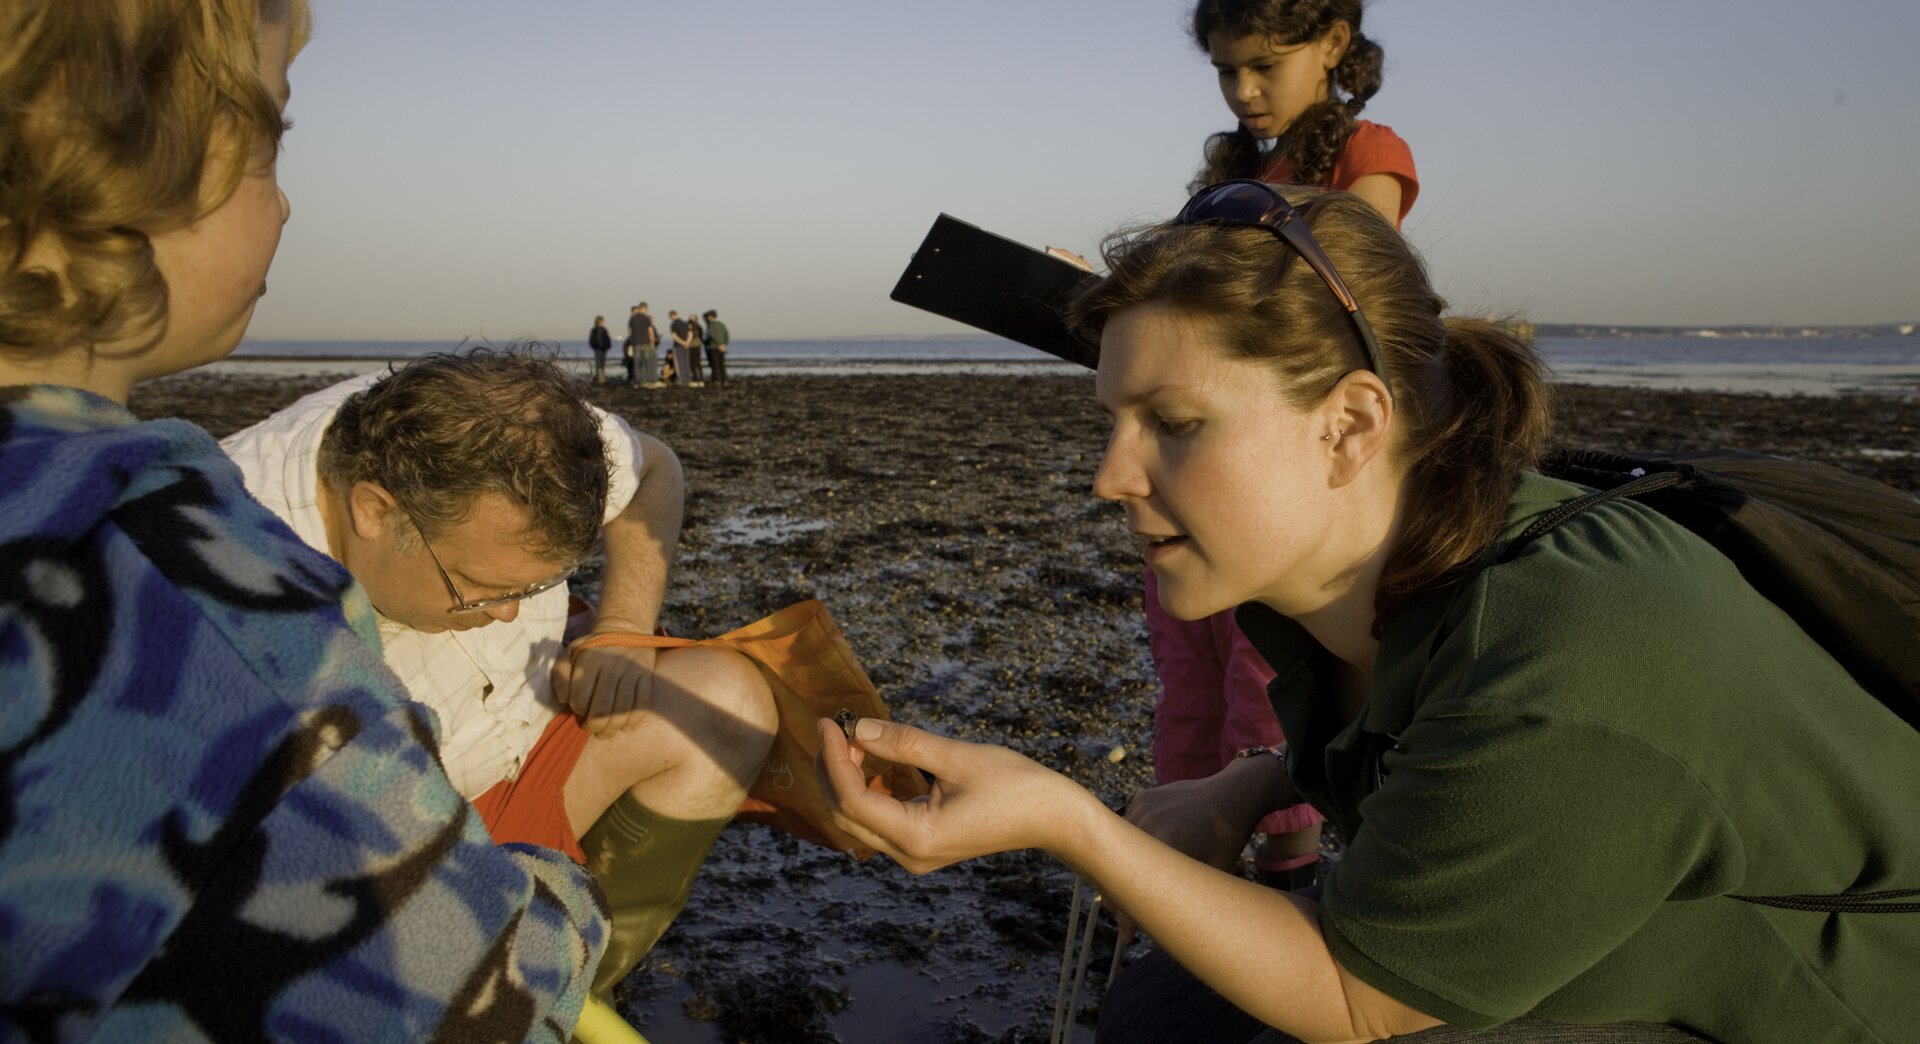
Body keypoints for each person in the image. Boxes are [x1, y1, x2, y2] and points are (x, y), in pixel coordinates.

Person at [816, 183, 1920, 1042]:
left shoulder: (1574, 647)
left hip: (1828, 1011)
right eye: (1111, 419)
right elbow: (1420, 717)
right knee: (1163, 1018)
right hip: (1601, 932)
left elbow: (1358, 999)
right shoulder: (1358, 575)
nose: (1111, 475)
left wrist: (1071, 821)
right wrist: (1251, 781)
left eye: (1176, 423)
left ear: (1350, 424)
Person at [0, 2, 608, 1039]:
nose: (283, 211)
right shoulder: (195, 590)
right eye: (267, 147)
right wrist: (564, 902)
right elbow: (477, 1000)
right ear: (110, 162)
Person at [220, 347, 779, 994]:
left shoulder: (512, 429)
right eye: (478, 588)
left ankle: (574, 991)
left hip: (521, 736)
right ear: (374, 510)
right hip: (374, 841)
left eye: (538, 586)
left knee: (728, 704)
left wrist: (623, 628)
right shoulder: (231, 558)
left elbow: (653, 467)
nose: (510, 614)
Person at [1141, 0, 1422, 889]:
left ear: (1334, 44)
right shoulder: (1237, 169)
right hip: (1198, 457)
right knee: (1187, 657)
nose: (1245, 89)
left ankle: (1287, 873)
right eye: (1227, 70)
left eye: (1265, 64)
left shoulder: (1367, 154)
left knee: (1269, 675)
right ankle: (1177, 857)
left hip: (1280, 465)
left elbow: (1353, 273)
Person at [624, 303, 652, 385]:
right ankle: (646, 380)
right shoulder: (646, 318)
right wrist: (652, 342)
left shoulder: (632, 319)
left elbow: (630, 331)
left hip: (636, 343)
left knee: (637, 363)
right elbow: (650, 331)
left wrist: (631, 341)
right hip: (646, 343)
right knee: (646, 362)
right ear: (644, 308)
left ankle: (637, 381)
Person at [704, 309, 730, 386]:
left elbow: (711, 335)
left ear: (710, 316)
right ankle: (724, 380)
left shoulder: (711, 325)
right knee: (722, 364)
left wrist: (719, 344)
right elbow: (727, 335)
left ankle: (717, 380)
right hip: (722, 347)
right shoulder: (722, 324)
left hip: (714, 347)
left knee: (715, 365)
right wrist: (724, 344)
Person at [668, 310, 693, 386]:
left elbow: (674, 336)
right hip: (686, 346)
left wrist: (682, 343)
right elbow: (690, 333)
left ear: (671, 316)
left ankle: (682, 380)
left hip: (678, 346)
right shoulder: (685, 323)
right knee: (686, 362)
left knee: (679, 363)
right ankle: (688, 379)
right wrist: (687, 342)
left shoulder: (673, 324)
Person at [589, 314, 613, 384]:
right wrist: (594, 346)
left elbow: (608, 339)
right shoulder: (594, 330)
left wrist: (608, 346)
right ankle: (599, 379)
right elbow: (591, 340)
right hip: (598, 349)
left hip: (604, 349)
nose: (602, 322)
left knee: (602, 364)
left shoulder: (604, 329)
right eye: (602, 321)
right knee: (598, 364)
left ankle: (602, 378)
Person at [685, 313, 707, 385]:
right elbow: (701, 336)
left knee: (693, 363)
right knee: (697, 363)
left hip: (693, 345)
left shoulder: (691, 327)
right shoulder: (699, 327)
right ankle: (700, 379)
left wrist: (687, 343)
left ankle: (696, 379)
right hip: (698, 345)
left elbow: (690, 336)